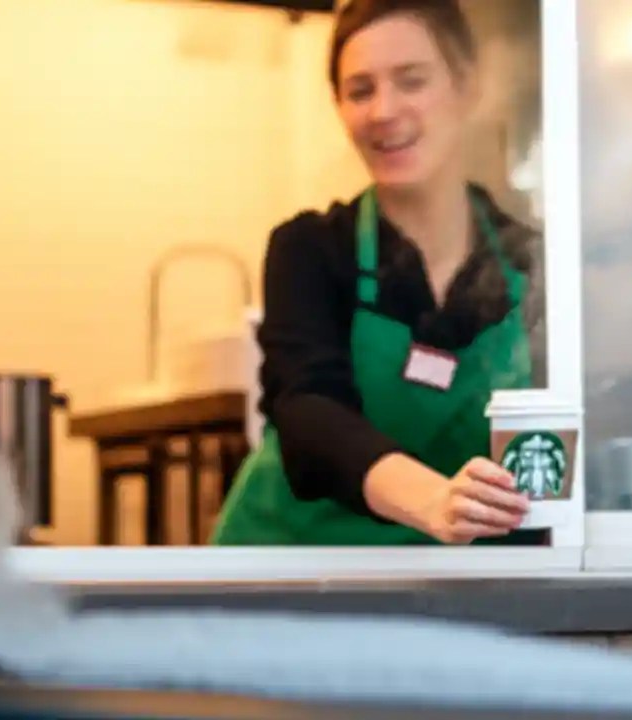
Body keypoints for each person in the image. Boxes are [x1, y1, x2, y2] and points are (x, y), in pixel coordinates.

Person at [211, 0, 546, 546]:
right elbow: (309, 411)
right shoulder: (311, 249)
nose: (383, 110)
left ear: (467, 86)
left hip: (453, 582)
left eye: (411, 81)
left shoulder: (528, 264)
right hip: (293, 573)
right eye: (360, 90)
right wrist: (433, 500)